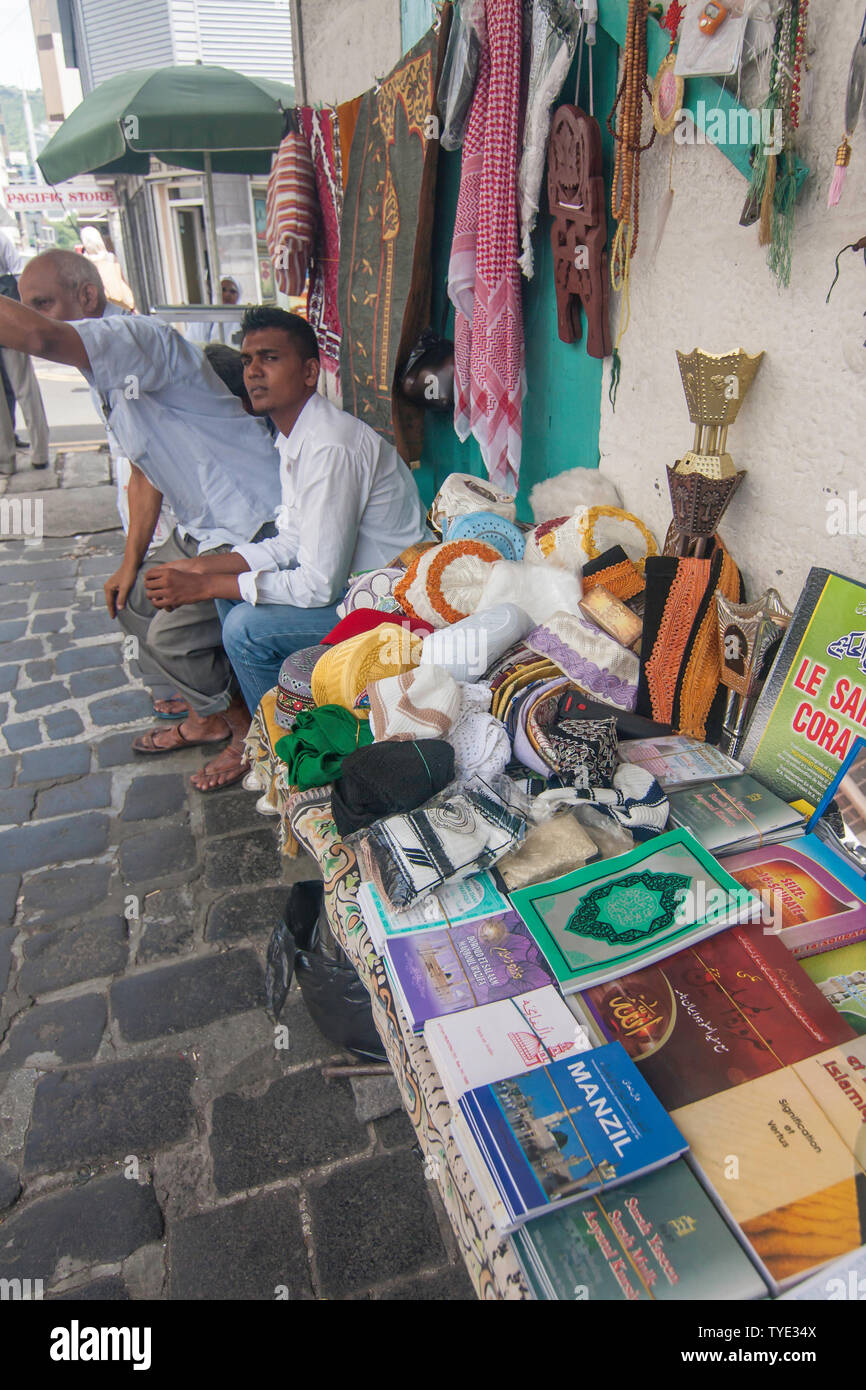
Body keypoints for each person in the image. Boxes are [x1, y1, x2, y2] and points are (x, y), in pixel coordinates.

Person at [12, 252, 282, 791]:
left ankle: (248, 734)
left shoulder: (132, 337)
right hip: (203, 528)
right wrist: (128, 560)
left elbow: (41, 340)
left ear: (87, 297)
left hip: (255, 524)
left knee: (170, 638)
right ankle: (209, 715)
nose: (36, 318)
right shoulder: (104, 372)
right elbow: (143, 473)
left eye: (44, 304)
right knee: (133, 598)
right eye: (29, 308)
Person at [143, 306, 430, 724]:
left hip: (391, 606)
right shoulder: (296, 435)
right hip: (358, 591)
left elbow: (317, 586)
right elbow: (289, 540)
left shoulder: (330, 446)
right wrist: (198, 568)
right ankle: (297, 714)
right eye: (246, 361)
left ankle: (287, 749)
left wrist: (204, 586)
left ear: (310, 372)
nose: (254, 372)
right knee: (230, 598)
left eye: (270, 358)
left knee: (244, 629)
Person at [0, 229, 50, 475]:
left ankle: (5, 460)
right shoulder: (1, 239)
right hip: (7, 317)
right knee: (25, 389)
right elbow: (19, 274)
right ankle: (40, 452)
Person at [80, 225, 135, 311]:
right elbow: (121, 279)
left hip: (100, 305)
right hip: (119, 300)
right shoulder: (110, 257)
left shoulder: (84, 262)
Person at [186, 275, 244, 347]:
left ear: (238, 296)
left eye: (232, 291)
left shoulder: (242, 320)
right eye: (223, 290)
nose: (227, 294)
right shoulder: (202, 320)